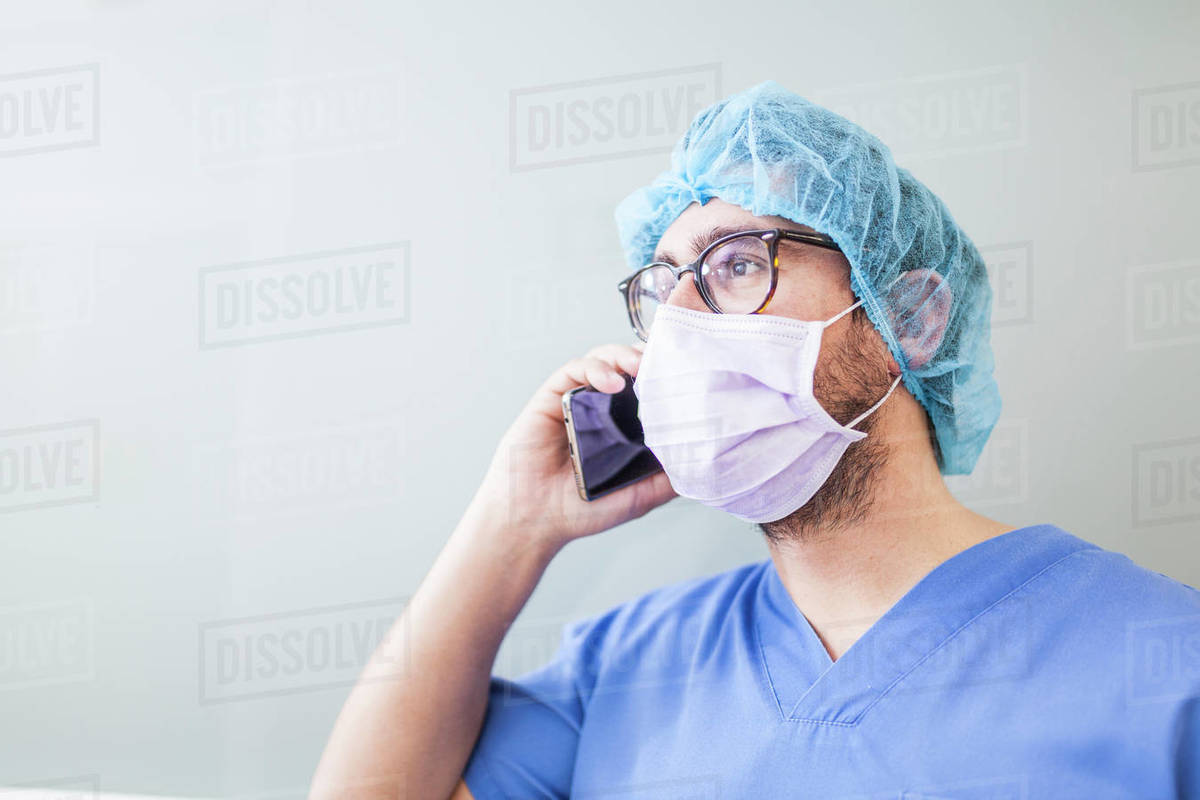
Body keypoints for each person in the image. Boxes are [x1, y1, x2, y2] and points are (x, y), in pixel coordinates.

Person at [310, 82, 1200, 799]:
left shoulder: (1165, 664)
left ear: (914, 318)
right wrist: (512, 525)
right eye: (662, 289)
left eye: (736, 263)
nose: (682, 325)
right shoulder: (629, 666)